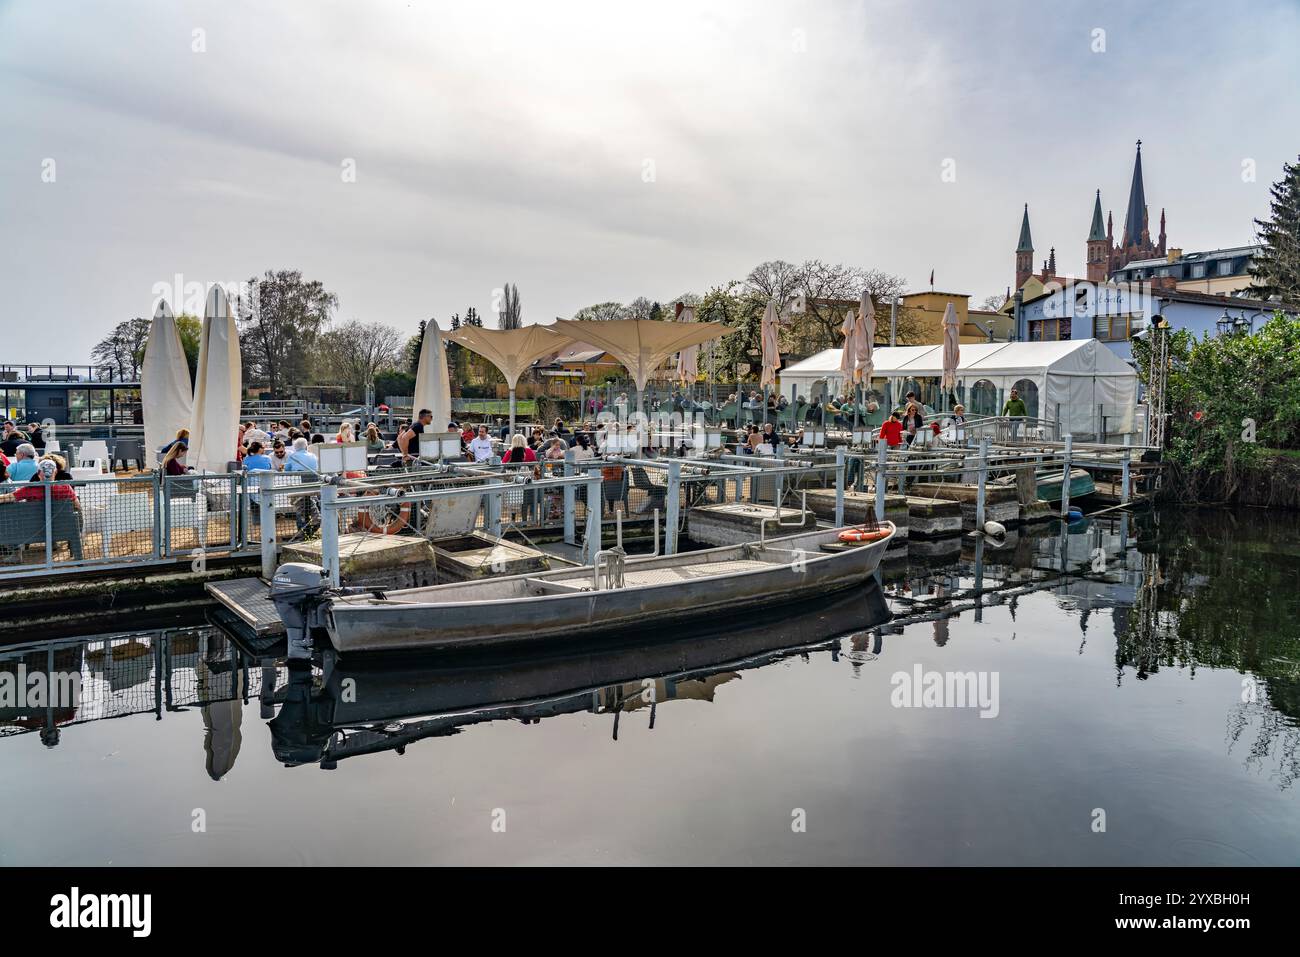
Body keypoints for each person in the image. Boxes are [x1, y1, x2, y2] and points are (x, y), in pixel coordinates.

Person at [0, 458, 77, 507]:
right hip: (64, 529)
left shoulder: (29, 490)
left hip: (34, 529)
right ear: (55, 472)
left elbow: (4, 498)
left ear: (38, 472)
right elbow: (77, 507)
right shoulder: (66, 488)